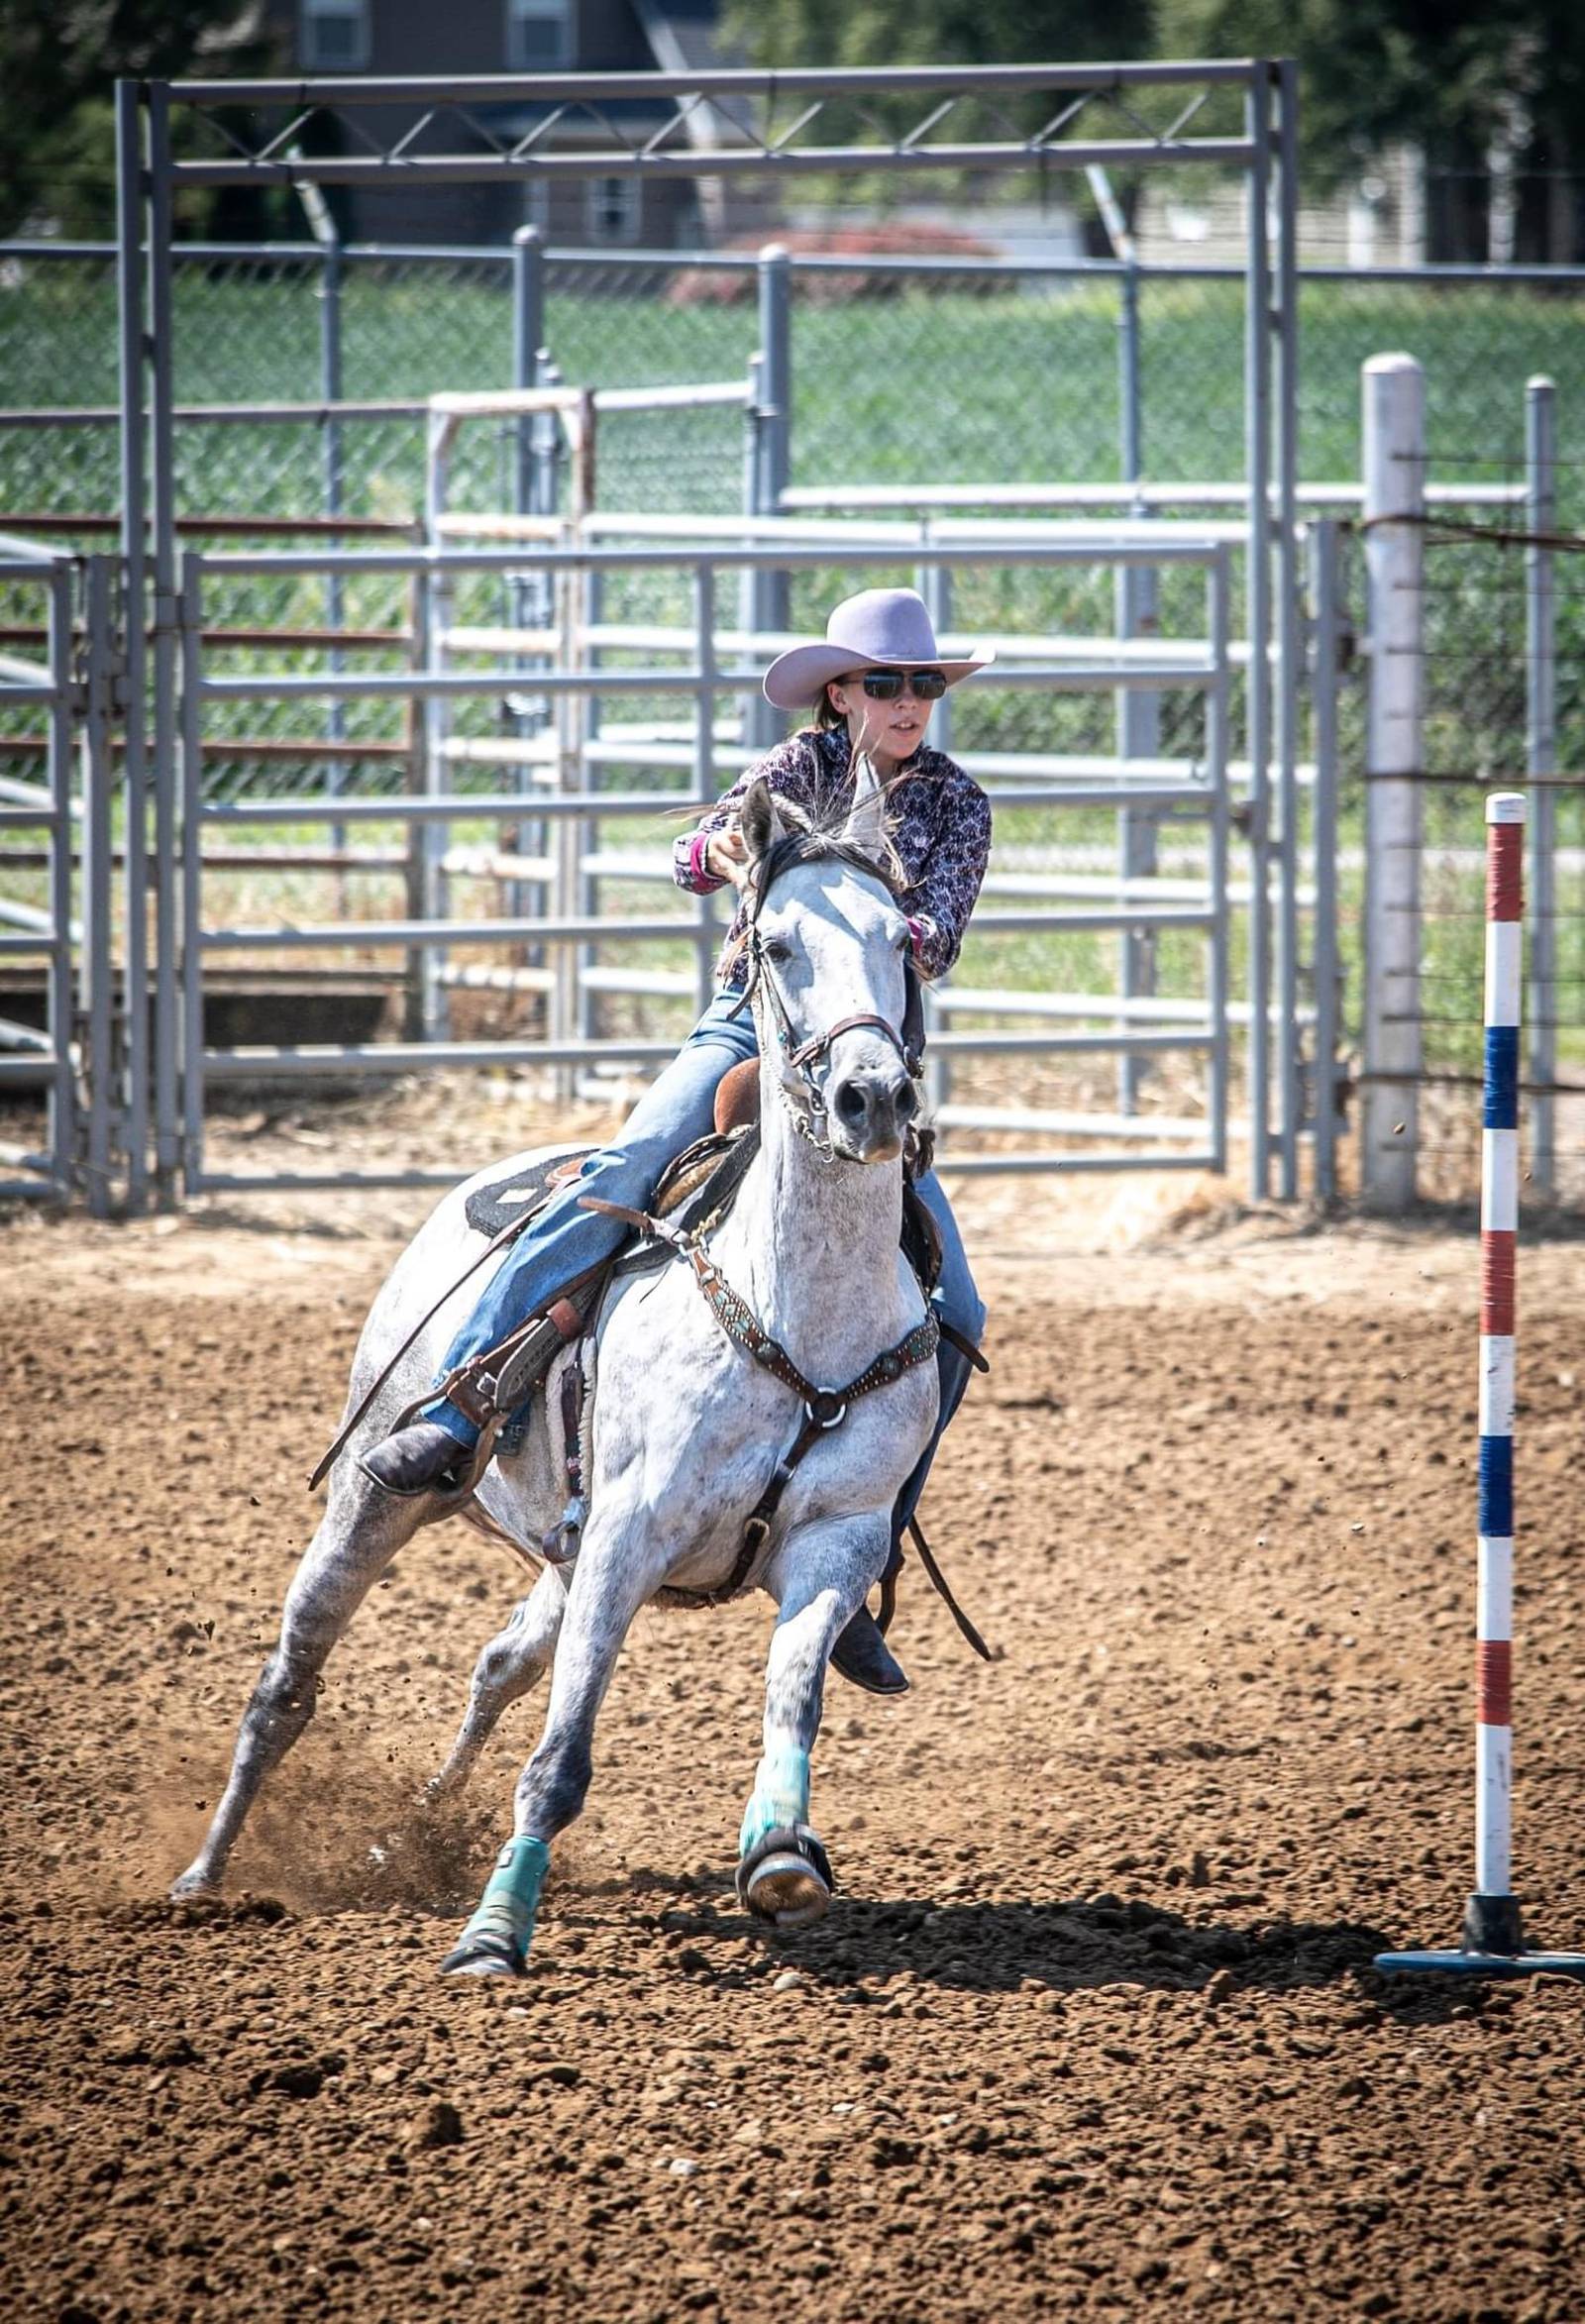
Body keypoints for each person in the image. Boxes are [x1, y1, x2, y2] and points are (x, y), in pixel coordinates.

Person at [361, 586, 994, 1693]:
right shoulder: (788, 777)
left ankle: (864, 1543)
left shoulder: (954, 804)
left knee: (959, 1310)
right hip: (747, 1026)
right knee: (619, 1174)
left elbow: (931, 940)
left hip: (865, 1052)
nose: (908, 704)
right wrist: (729, 851)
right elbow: (691, 859)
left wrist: (860, 908)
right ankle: (467, 1401)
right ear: (841, 692)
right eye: (886, 683)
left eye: (924, 685)